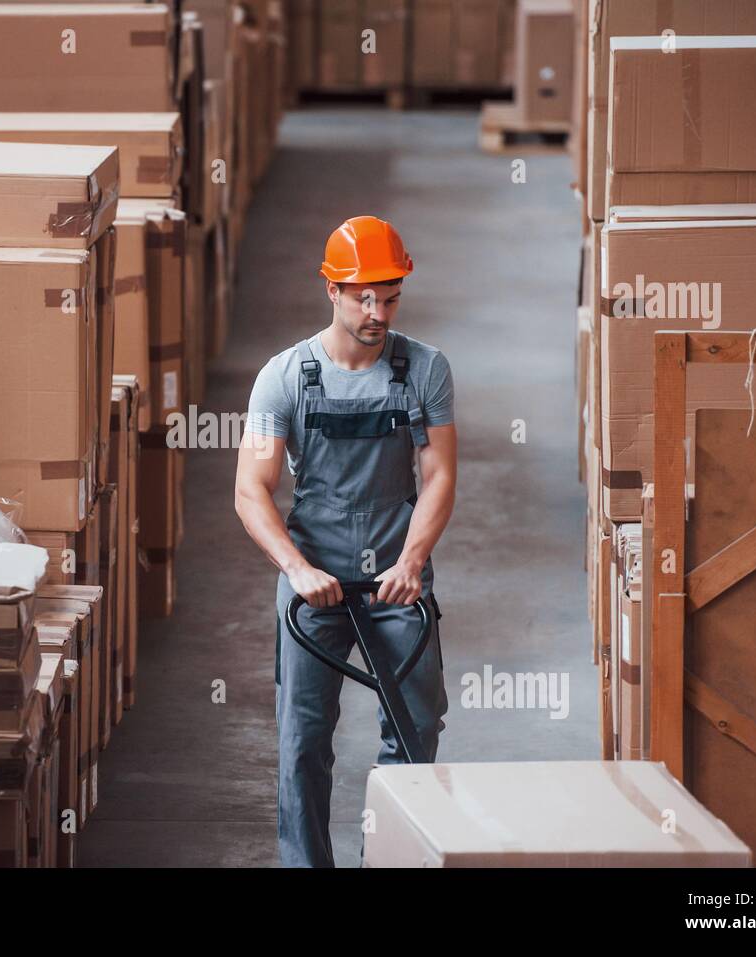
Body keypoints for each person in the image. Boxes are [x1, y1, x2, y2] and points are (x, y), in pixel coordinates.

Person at [234, 215, 457, 867]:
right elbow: (252, 488)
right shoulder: (284, 377)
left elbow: (440, 474)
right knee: (302, 741)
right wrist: (296, 568)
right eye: (362, 295)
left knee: (416, 730)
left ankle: (388, 856)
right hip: (314, 584)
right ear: (329, 288)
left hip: (397, 578)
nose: (376, 311)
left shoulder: (424, 369)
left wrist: (413, 559)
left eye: (389, 296)